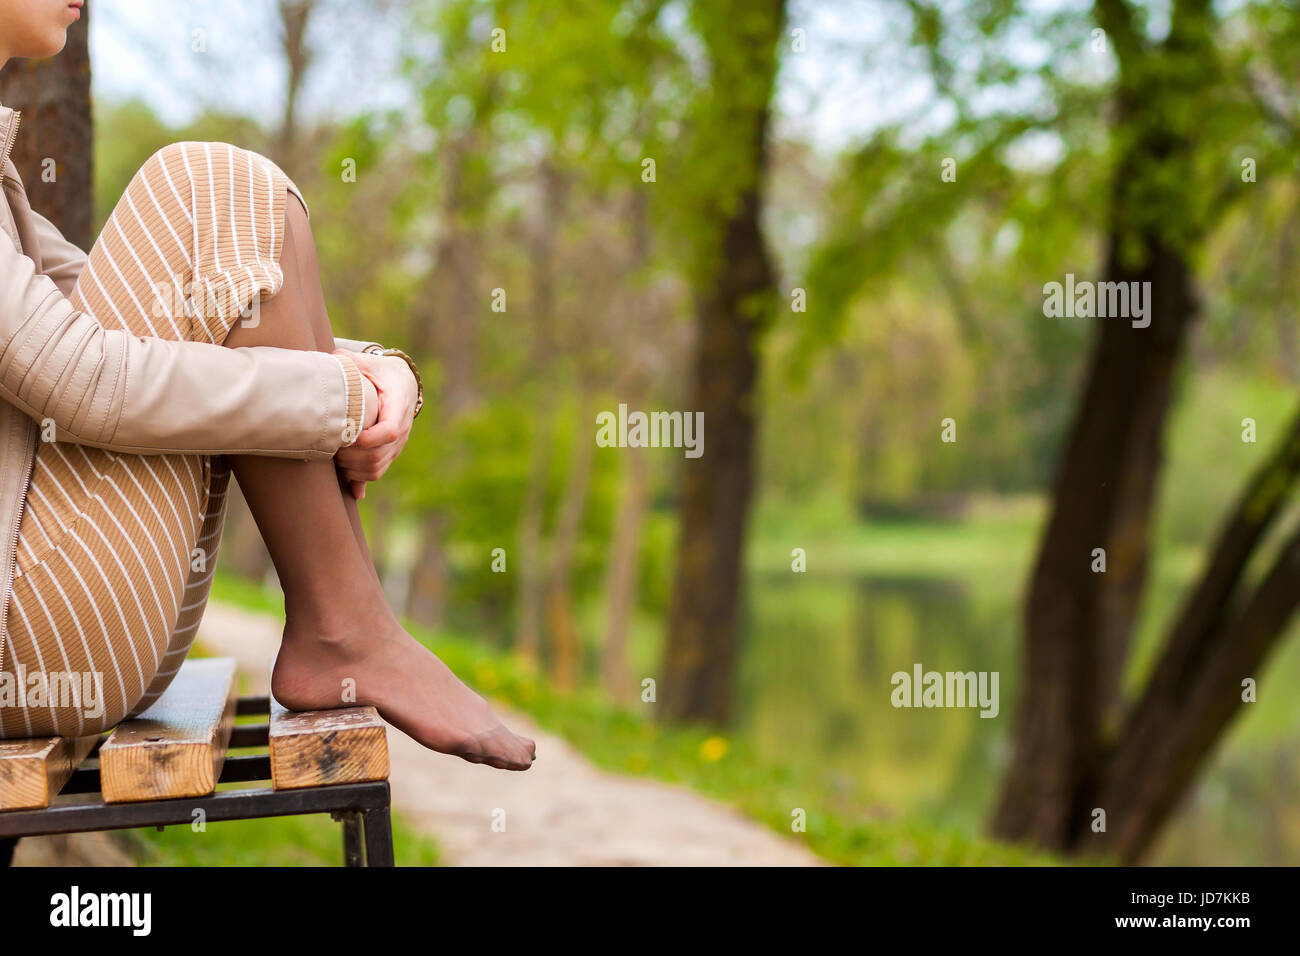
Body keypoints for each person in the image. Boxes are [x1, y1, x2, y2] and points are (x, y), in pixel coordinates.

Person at [0, 0, 535, 770]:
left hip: (59, 637)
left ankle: (348, 625)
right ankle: (347, 631)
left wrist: (381, 370)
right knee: (205, 183)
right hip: (34, 645)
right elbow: (79, 374)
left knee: (232, 194)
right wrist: (339, 400)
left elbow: (167, 311)